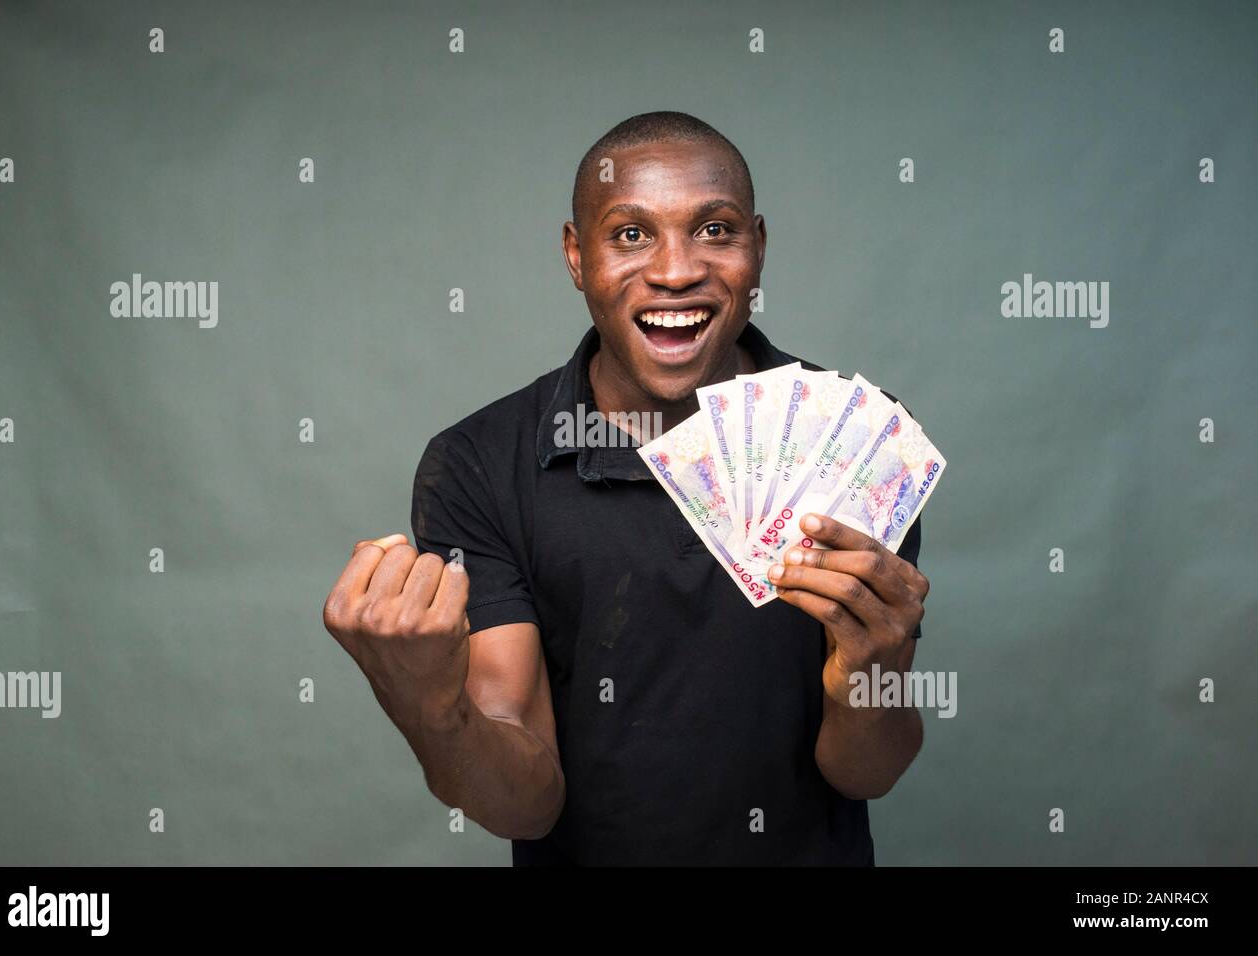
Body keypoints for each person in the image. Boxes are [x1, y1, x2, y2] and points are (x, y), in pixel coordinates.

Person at [322, 112, 930, 865]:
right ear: (577, 257)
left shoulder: (856, 445)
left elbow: (867, 769)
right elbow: (528, 802)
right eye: (631, 235)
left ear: (758, 249)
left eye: (715, 230)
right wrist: (428, 707)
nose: (676, 270)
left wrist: (874, 667)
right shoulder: (479, 464)